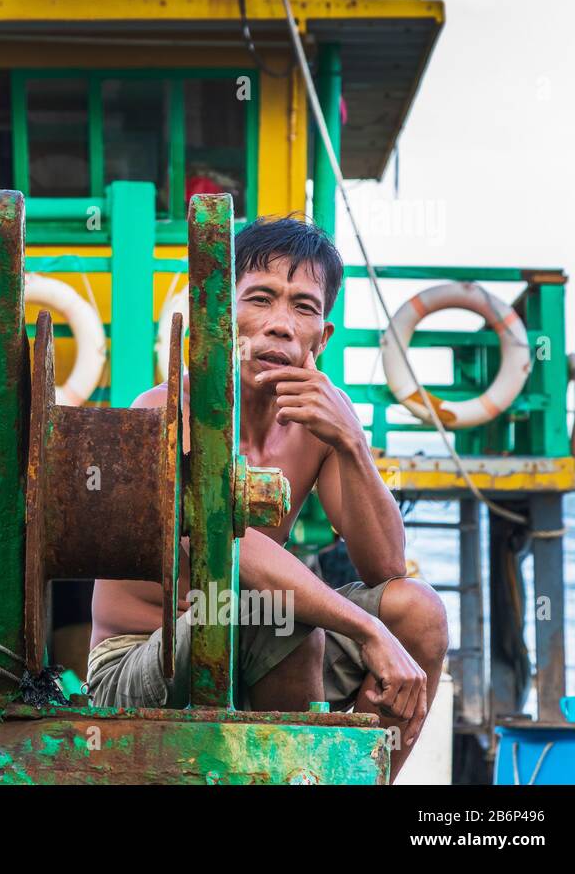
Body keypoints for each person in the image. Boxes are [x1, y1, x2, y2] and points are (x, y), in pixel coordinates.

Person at [85, 215, 448, 778]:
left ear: (321, 338)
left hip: (252, 640)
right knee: (279, 613)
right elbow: (233, 551)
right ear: (219, 318)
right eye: (260, 299)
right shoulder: (162, 413)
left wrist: (350, 442)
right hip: (137, 666)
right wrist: (367, 631)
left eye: (303, 307)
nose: (280, 325)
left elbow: (386, 566)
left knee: (418, 610)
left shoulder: (318, 421)